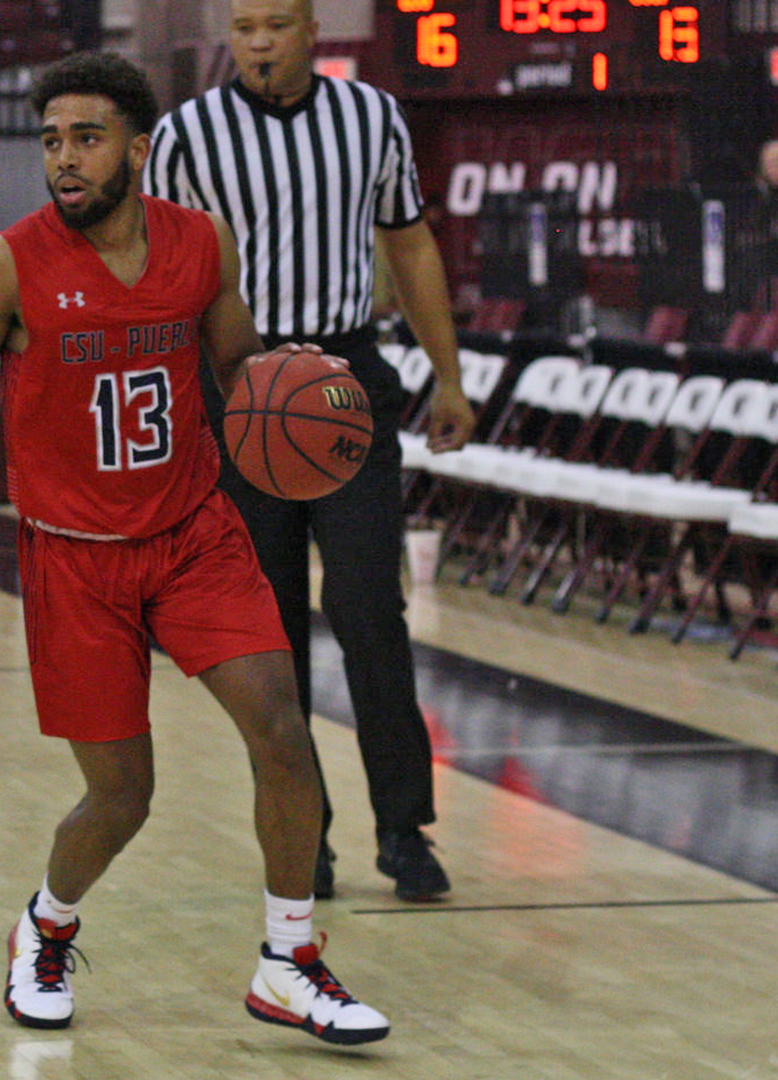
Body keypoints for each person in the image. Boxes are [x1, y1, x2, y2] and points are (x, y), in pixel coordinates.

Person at [0, 51, 389, 1045]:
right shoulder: (5, 265)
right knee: (123, 794)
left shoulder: (200, 243)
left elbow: (240, 371)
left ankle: (288, 962)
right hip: (75, 558)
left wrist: (305, 402)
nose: (65, 161)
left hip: (192, 537)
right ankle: (44, 927)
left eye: (85, 139)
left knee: (284, 734)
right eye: (51, 142)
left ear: (138, 148)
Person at [146, 0, 476, 903]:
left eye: (277, 26)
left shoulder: (372, 117)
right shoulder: (185, 135)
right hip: (240, 382)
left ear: (311, 32)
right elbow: (163, 274)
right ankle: (308, 838)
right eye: (244, 27)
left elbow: (409, 244)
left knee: (373, 608)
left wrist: (448, 375)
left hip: (343, 378)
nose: (258, 42)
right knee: (270, 630)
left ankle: (405, 831)